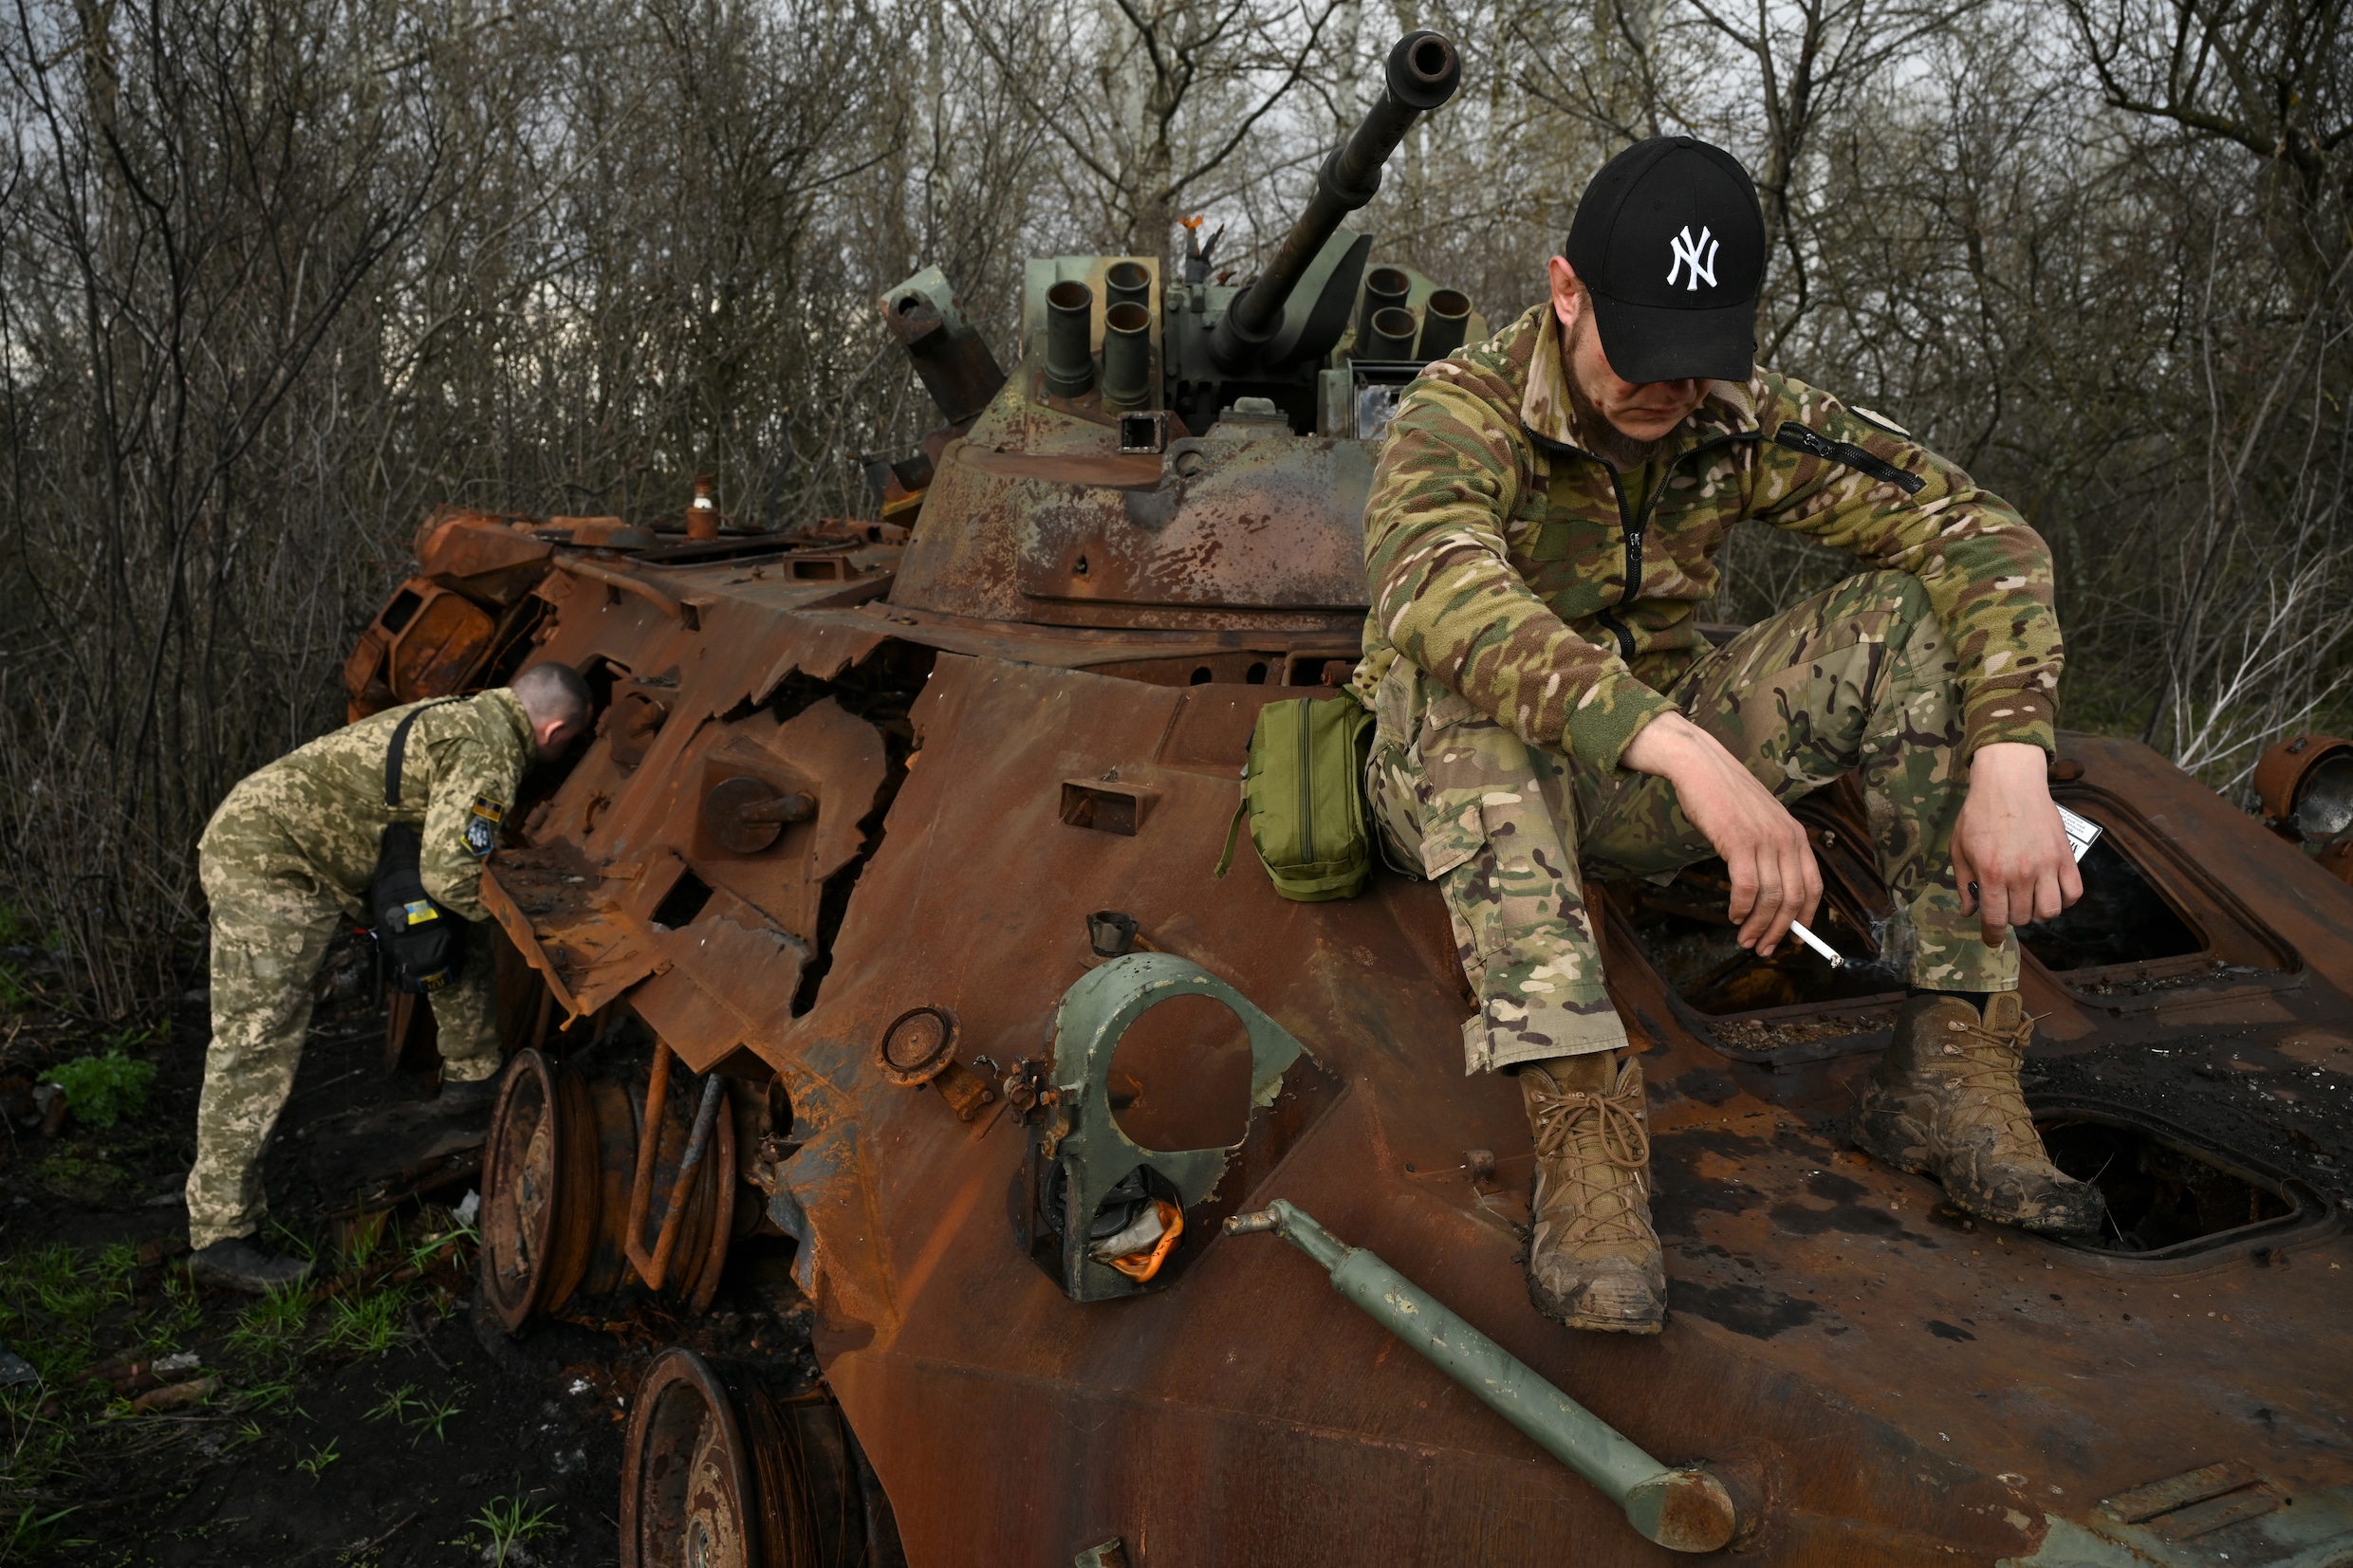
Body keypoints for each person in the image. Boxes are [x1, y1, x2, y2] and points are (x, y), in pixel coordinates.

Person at [1354, 136, 2099, 1335]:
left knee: (1913, 619)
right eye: (1643, 354)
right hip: (1454, 779)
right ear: (1563, 292)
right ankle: (1583, 1135)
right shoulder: (1463, 412)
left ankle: (1949, 1058)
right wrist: (1690, 755)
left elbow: (1976, 531)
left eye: (1698, 364)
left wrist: (2010, 755)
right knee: (1470, 695)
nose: (1669, 394)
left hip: (1641, 779)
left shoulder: (1732, 416)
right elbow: (1437, 592)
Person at [184, 664, 592, 1292]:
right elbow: (452, 875)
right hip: (269, 860)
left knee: (459, 926)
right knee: (256, 1040)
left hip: (277, 837)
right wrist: (547, 932)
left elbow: (453, 885)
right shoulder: (490, 747)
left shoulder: (467, 712)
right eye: (568, 744)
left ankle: (474, 1076)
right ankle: (221, 1236)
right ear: (556, 729)